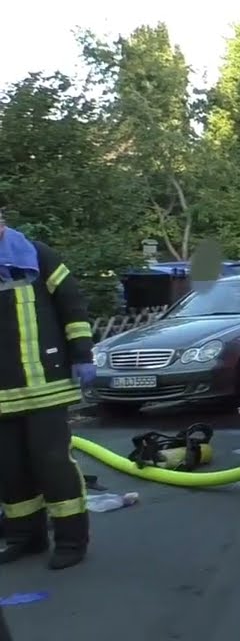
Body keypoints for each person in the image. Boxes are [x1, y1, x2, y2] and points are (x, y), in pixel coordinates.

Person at [0, 212, 93, 570]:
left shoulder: (37, 255)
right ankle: (26, 537)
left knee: (52, 464)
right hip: (3, 393)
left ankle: (71, 541)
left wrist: (82, 353)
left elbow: (72, 303)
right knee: (10, 469)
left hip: (47, 385)